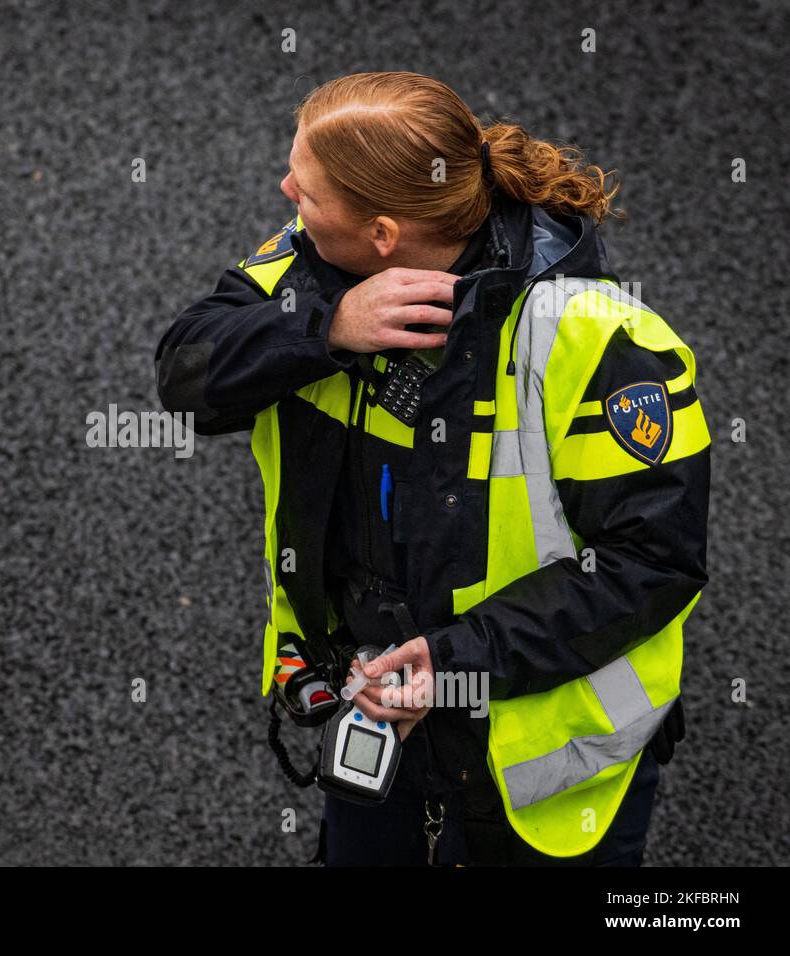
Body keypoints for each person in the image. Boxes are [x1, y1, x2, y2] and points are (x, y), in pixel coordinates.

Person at [155, 71, 708, 866]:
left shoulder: (602, 343)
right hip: (373, 715)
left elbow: (649, 563)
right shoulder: (311, 268)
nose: (286, 195)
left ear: (383, 233)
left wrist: (450, 665)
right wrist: (326, 327)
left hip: (536, 771)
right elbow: (186, 376)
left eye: (305, 191)